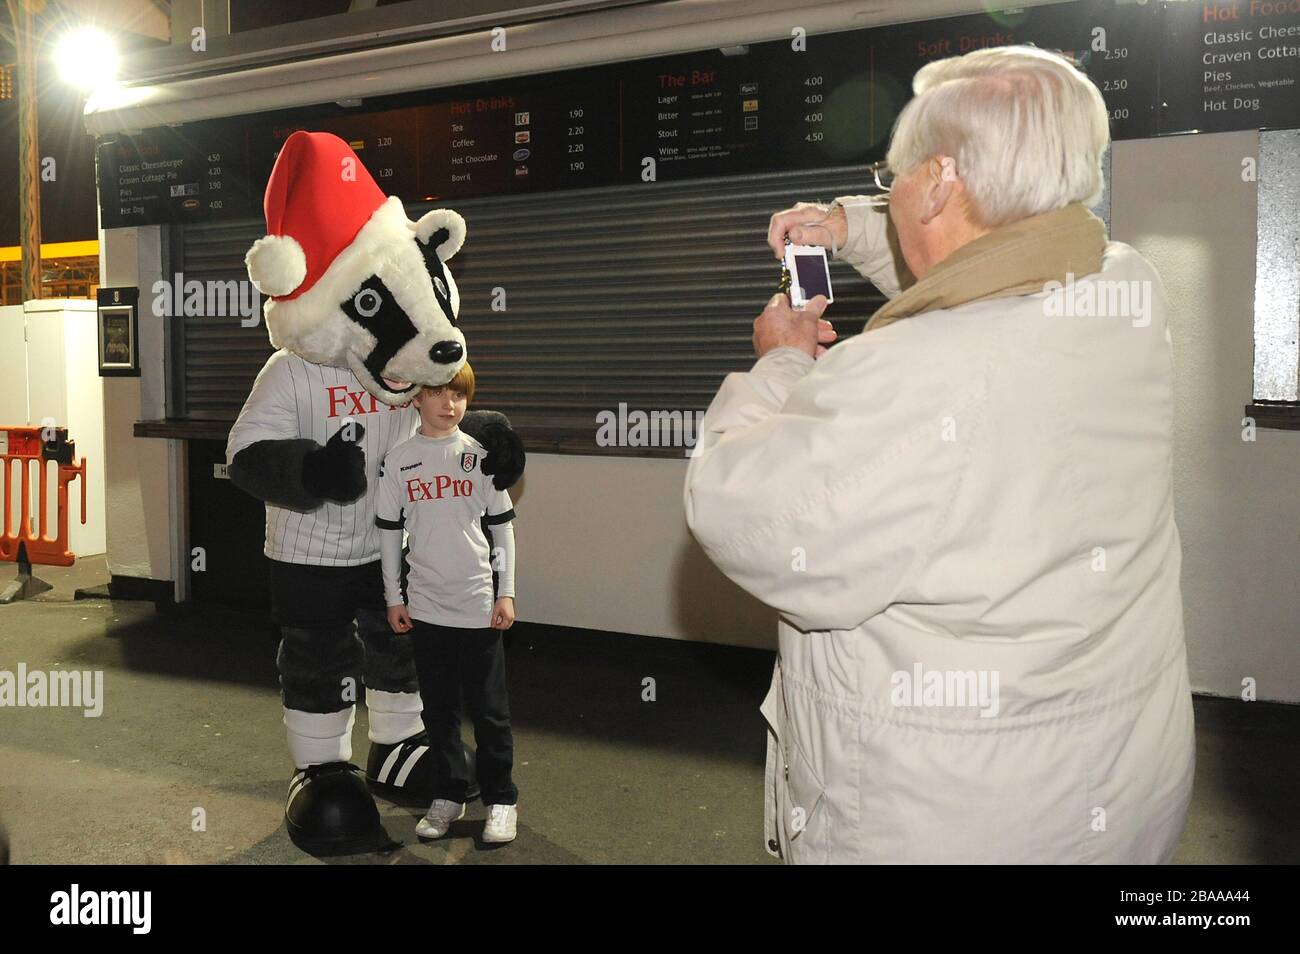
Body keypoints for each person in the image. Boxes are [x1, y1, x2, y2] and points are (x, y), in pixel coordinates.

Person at [684, 45, 1195, 863]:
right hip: (1117, 781)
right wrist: (851, 227)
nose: (889, 199)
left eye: (894, 183)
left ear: (944, 182)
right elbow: (991, 262)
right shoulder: (1124, 289)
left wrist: (778, 363)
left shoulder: (910, 378)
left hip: (951, 818)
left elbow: (742, 515)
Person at [377, 362, 520, 844]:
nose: (450, 403)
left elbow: (503, 529)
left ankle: (501, 800)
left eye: (458, 395)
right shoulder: (399, 460)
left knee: (489, 712)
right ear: (416, 398)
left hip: (478, 605)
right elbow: (389, 535)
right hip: (427, 608)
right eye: (438, 393)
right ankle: (448, 797)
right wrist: (394, 598)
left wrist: (506, 592)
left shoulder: (481, 456)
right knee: (438, 711)